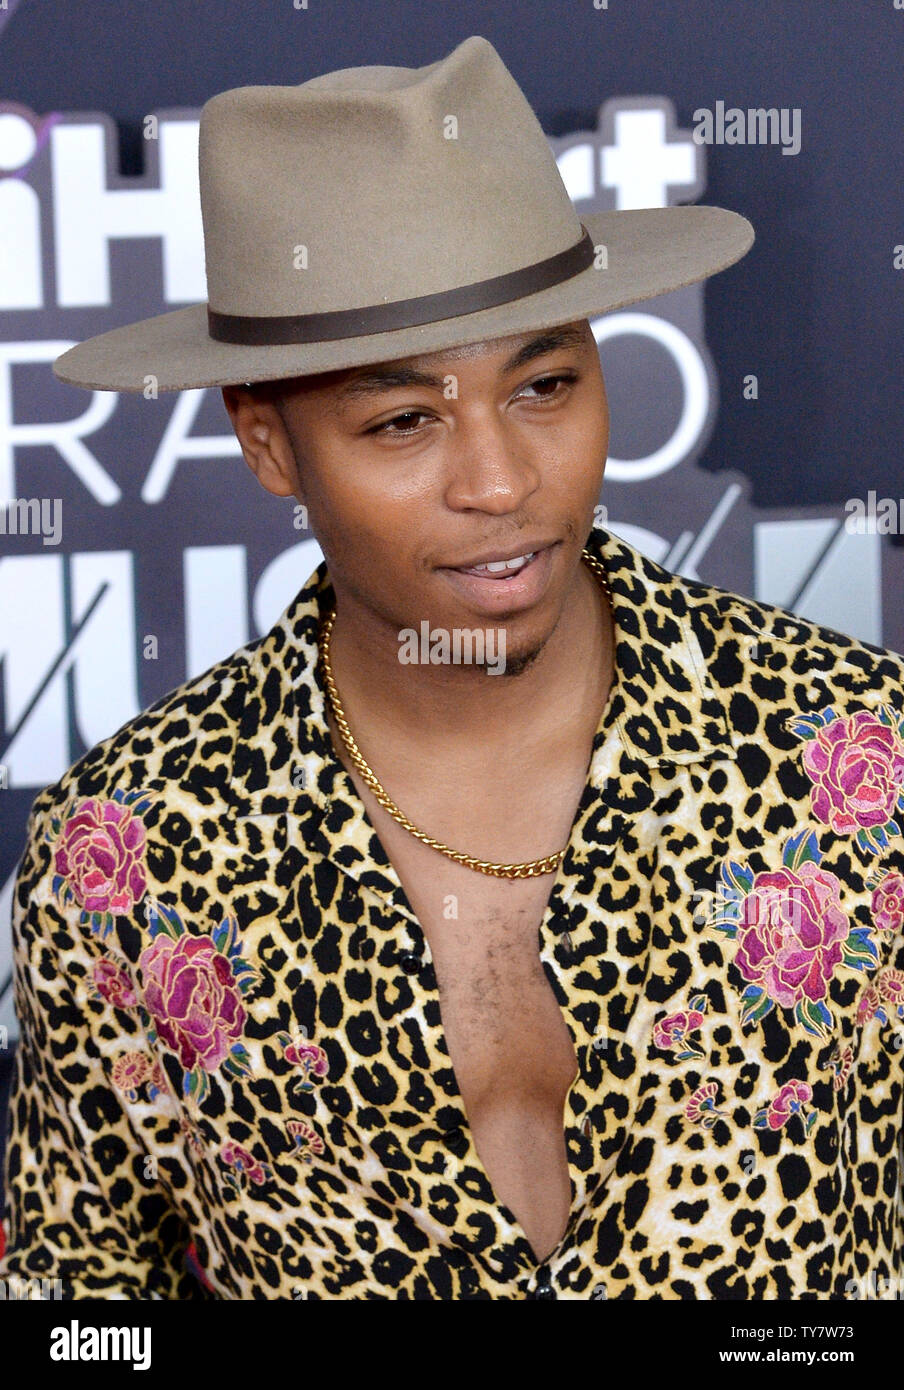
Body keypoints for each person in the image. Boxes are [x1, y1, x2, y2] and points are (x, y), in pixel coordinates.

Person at [2, 34, 903, 1302]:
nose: (500, 482)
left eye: (544, 385)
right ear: (268, 445)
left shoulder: (853, 763)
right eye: (403, 421)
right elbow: (75, 1310)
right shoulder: (135, 848)